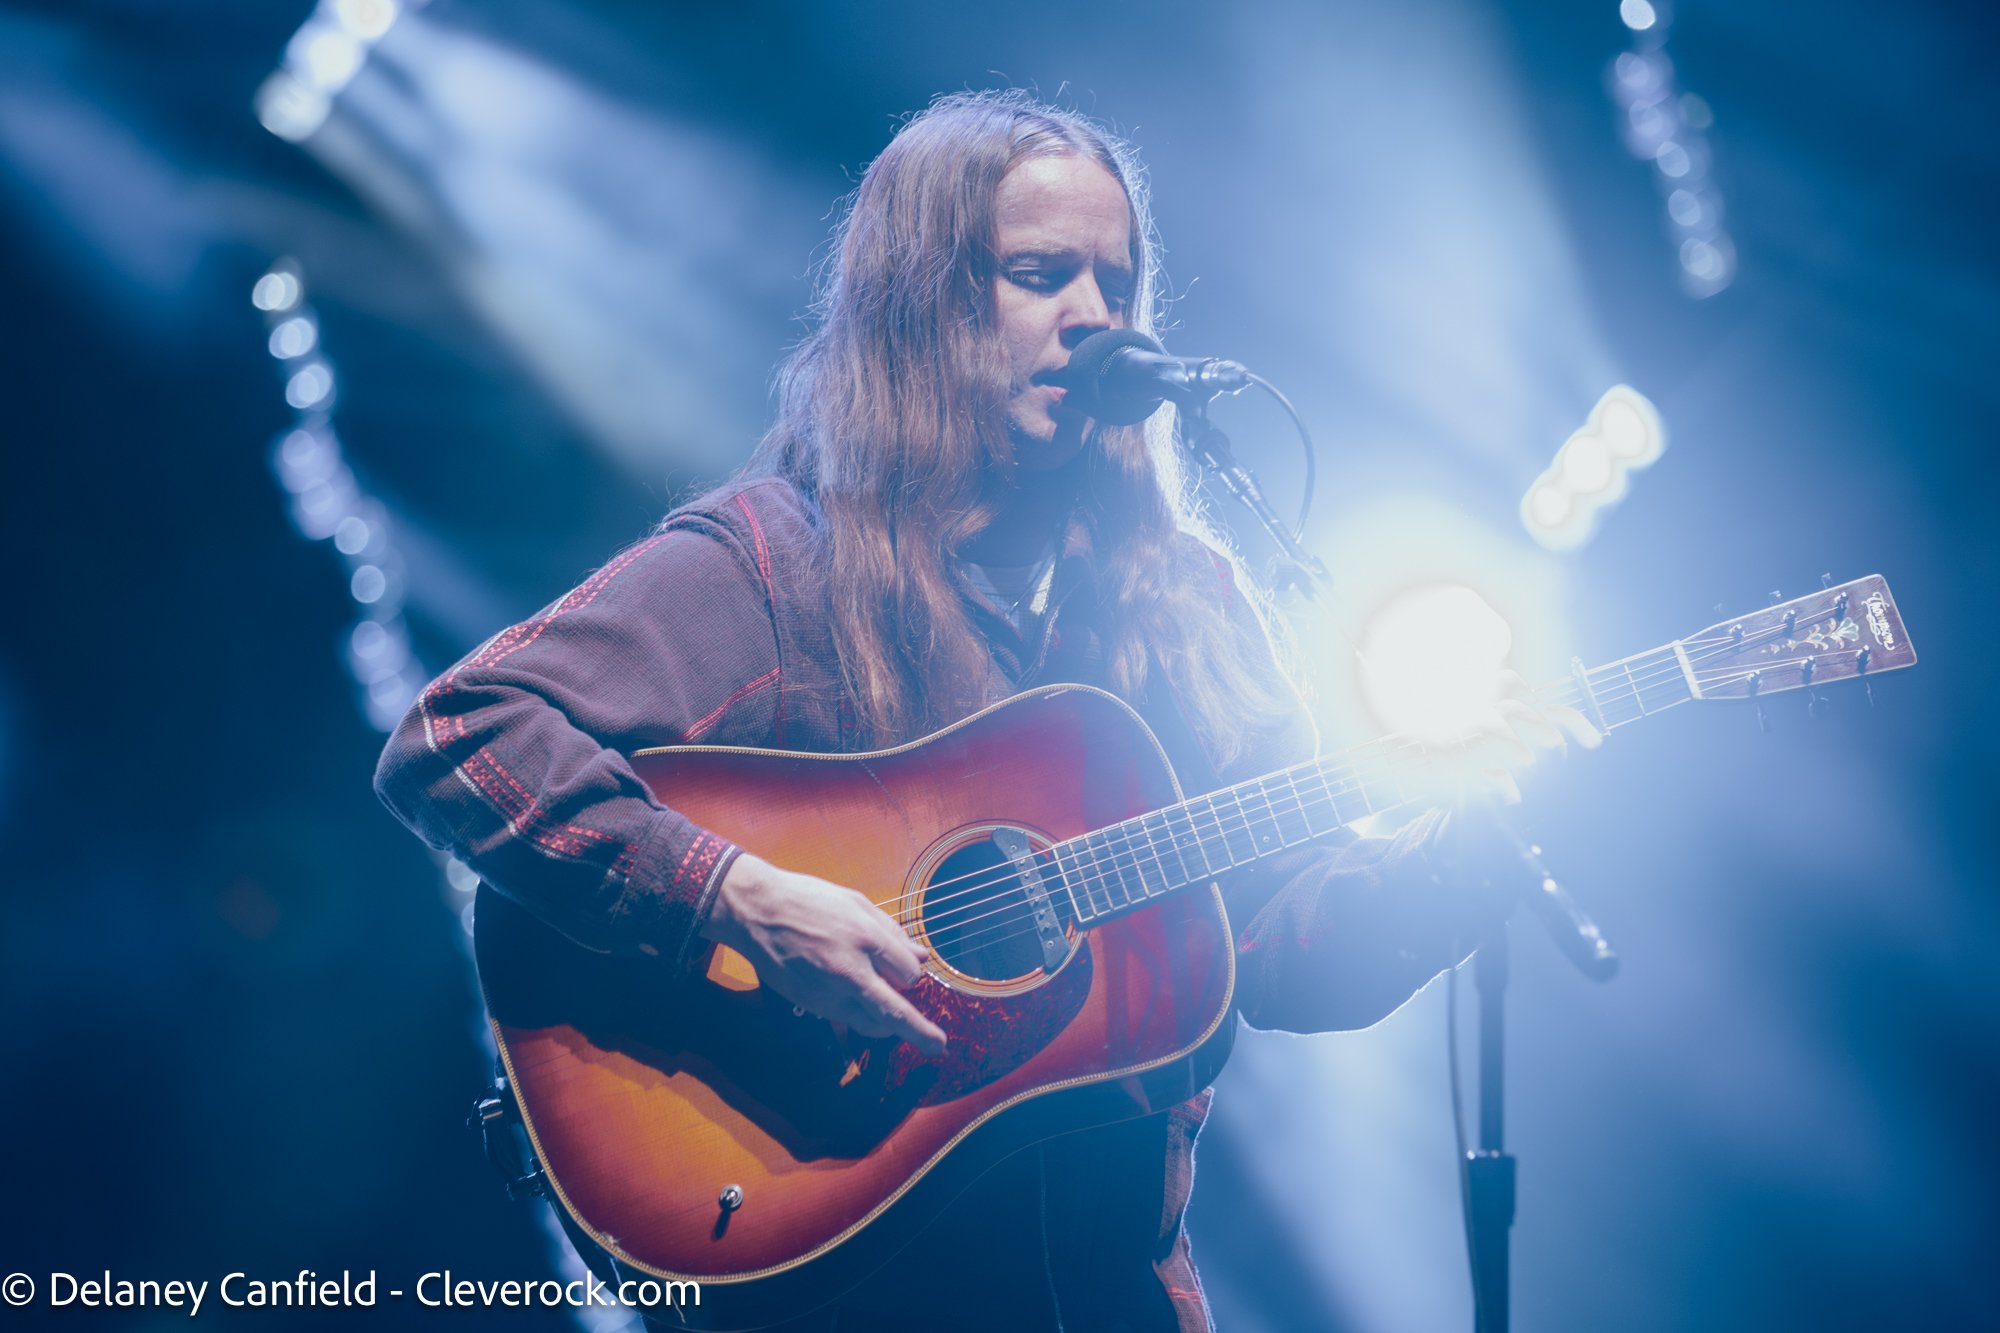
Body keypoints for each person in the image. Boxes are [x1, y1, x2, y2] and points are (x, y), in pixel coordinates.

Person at [374, 90, 1591, 1332]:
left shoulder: (1178, 604)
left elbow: (1277, 943)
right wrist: (733, 897)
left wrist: (1451, 862)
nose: (1093, 320)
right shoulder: (769, 566)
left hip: (1116, 1289)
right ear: (925, 304)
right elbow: (458, 736)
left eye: (1115, 285)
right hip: (836, 1277)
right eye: (1039, 274)